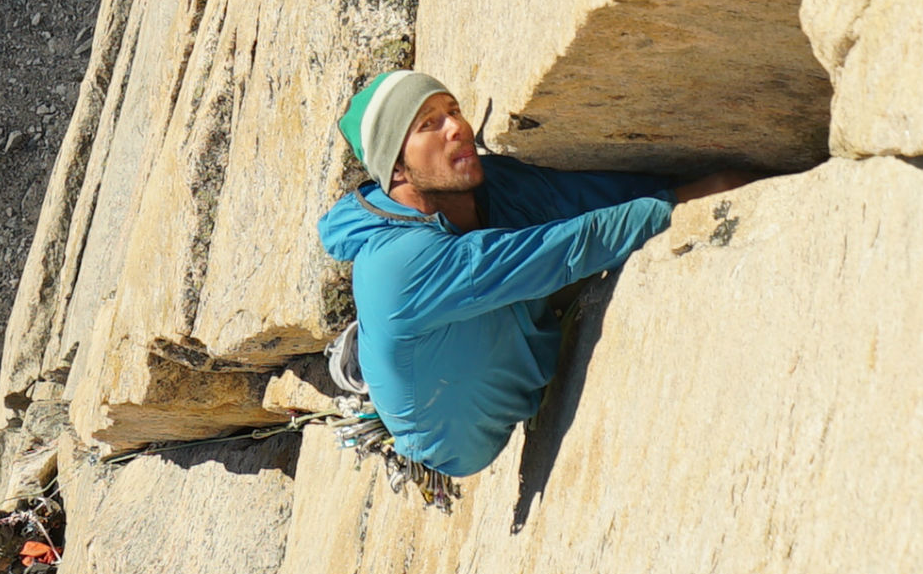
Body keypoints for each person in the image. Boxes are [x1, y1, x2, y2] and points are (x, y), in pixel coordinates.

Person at [316, 69, 750, 478]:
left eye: (453, 110)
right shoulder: (401, 263)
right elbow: (566, 249)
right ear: (396, 168)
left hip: (498, 333)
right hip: (448, 443)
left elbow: (591, 197)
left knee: (525, 248)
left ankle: (380, 343)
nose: (457, 127)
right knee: (532, 262)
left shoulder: (490, 186)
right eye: (429, 124)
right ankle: (373, 358)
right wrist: (685, 201)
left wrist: (685, 181)